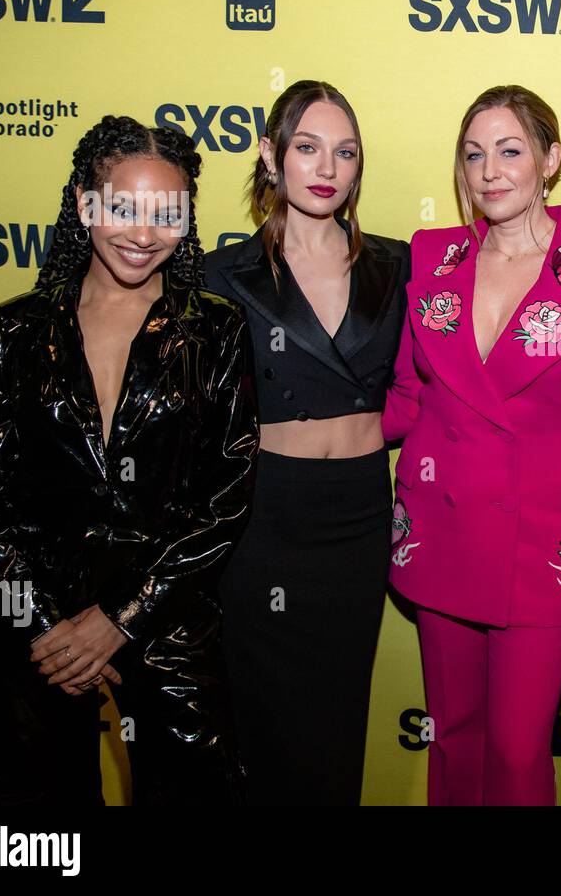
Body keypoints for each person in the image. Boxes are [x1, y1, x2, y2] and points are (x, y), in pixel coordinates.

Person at [0, 115, 257, 806]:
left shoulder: (219, 331)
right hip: (30, 632)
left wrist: (118, 619)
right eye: (122, 208)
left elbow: (223, 502)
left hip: (164, 618)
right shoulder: (20, 328)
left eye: (166, 212)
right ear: (85, 205)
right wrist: (47, 627)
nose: (143, 233)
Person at [383, 84, 561, 806]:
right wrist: (305, 441)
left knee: (518, 752)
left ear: (550, 159)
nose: (490, 171)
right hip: (440, 532)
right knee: (455, 737)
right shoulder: (430, 258)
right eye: (474, 155)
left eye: (510, 151)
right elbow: (408, 396)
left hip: (540, 549)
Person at [205, 80, 410, 805]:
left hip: (356, 515)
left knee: (336, 719)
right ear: (271, 156)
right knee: (260, 723)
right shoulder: (221, 275)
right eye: (307, 147)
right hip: (263, 516)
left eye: (345, 152)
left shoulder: (399, 265)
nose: (327, 166)